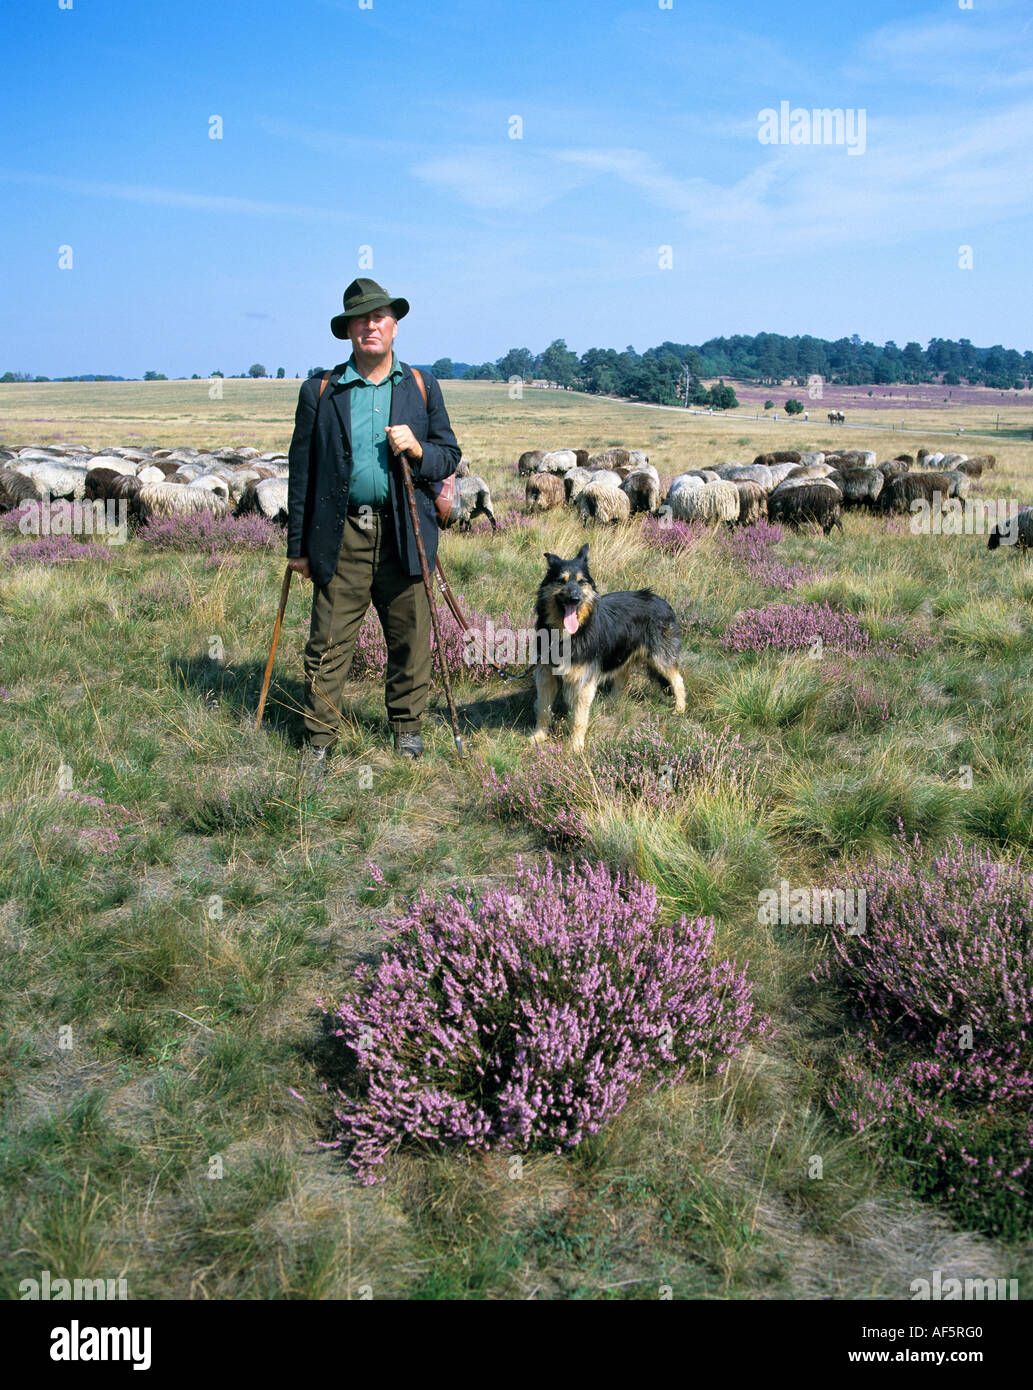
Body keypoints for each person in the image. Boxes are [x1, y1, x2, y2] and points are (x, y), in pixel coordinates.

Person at [285, 278, 461, 770]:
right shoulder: (321, 391)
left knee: (411, 636)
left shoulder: (420, 385)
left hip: (406, 530)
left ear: (394, 326)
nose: (371, 325)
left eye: (379, 316)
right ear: (348, 331)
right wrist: (297, 546)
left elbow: (449, 456)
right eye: (361, 318)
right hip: (341, 535)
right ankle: (318, 741)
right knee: (328, 641)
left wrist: (419, 448)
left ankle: (407, 729)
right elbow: (303, 470)